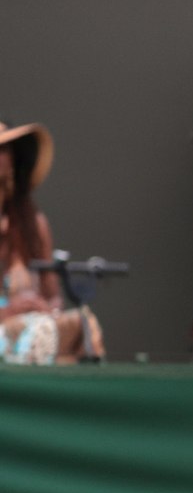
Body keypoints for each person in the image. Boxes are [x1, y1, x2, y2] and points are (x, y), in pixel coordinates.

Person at [1, 120, 103, 364]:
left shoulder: (32, 225)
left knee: (84, 324)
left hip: (32, 329)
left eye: (5, 149)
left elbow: (52, 296)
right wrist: (9, 311)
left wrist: (42, 306)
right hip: (10, 331)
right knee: (36, 332)